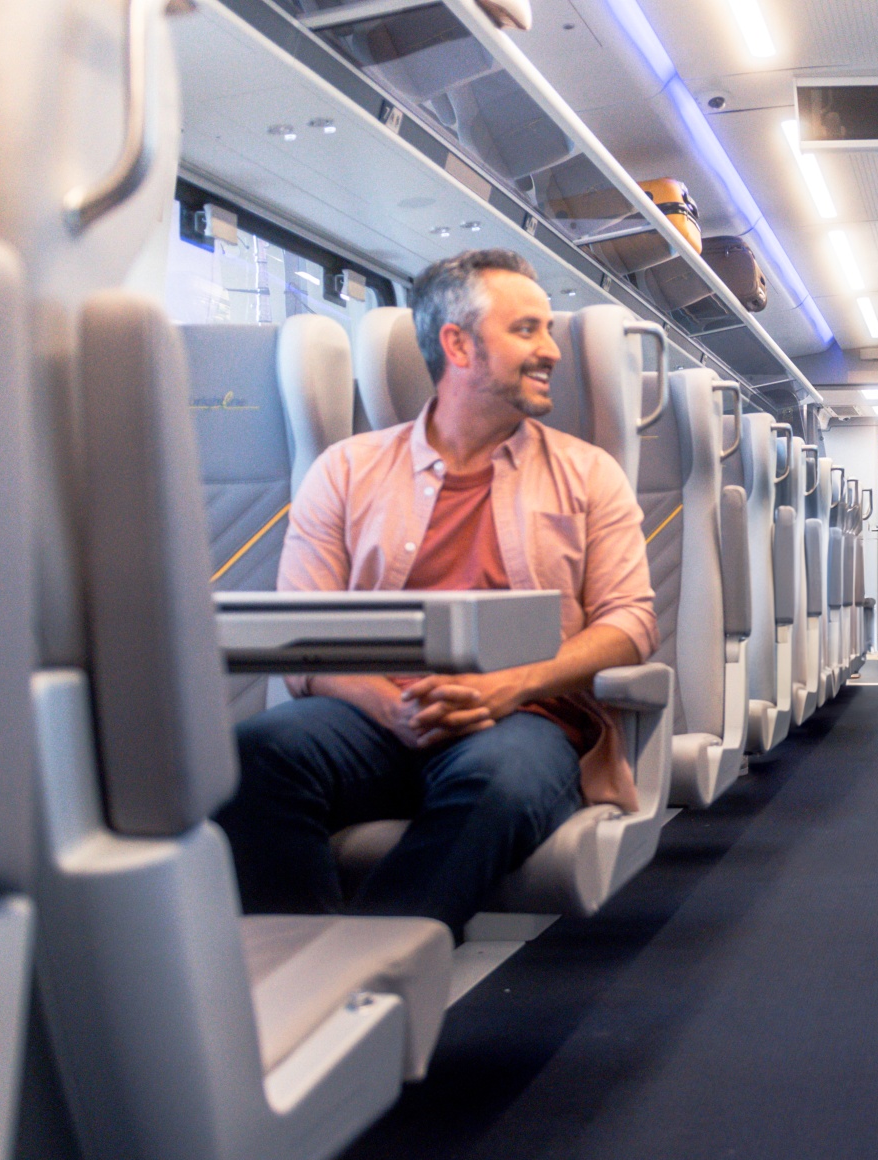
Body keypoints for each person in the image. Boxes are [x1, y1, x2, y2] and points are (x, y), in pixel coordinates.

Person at [215, 249, 658, 931]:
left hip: (523, 718)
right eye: (527, 330)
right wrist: (391, 707)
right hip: (373, 719)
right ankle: (304, 971)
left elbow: (630, 622)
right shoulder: (345, 471)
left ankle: (373, 972)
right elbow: (303, 638)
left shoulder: (588, 473)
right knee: (254, 757)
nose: (552, 352)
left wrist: (510, 685)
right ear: (458, 343)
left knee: (498, 784)